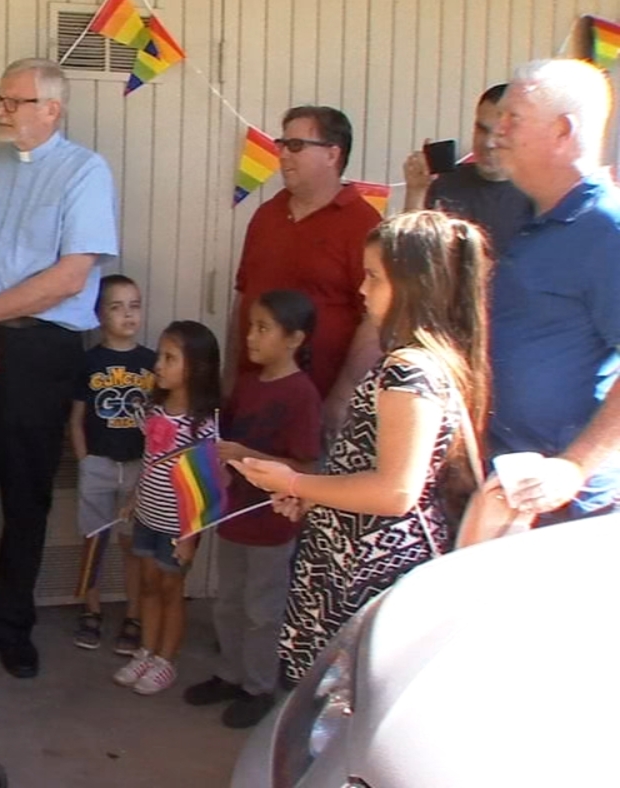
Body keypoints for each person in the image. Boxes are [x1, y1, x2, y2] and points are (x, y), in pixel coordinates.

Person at [232, 211, 491, 684]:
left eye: (373, 276)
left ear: (414, 283)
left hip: (365, 572)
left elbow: (395, 490)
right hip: (356, 556)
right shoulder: (428, 362)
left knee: (338, 707)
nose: (362, 289)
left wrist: (292, 480)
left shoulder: (408, 371)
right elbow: (371, 466)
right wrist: (314, 493)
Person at [0, 57, 119, 679]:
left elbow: (69, 277)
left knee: (27, 495)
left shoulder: (85, 172)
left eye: (14, 102)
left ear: (51, 110)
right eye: (0, 98)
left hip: (38, 350)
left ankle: (15, 624)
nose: (0, 111)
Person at [457, 58, 620, 539]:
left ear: (562, 131)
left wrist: (573, 468)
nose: (496, 134)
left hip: (565, 510)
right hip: (510, 492)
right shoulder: (532, 219)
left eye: (513, 119)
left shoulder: (606, 230)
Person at [186, 290, 322, 728]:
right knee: (228, 602)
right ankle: (230, 673)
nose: (251, 336)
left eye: (263, 328)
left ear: (294, 339)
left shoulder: (302, 394)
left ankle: (259, 686)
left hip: (271, 524)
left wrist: (246, 453)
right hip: (233, 517)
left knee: (261, 610)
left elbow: (305, 466)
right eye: (250, 326)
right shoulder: (246, 383)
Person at [230, 106, 383, 437]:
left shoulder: (364, 224)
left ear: (332, 154)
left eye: (296, 145)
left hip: (318, 409)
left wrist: (343, 396)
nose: (283, 154)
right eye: (281, 144)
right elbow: (243, 298)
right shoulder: (266, 215)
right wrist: (229, 379)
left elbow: (375, 320)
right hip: (251, 402)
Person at [111, 321, 222, 696]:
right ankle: (146, 649)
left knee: (171, 588)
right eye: (161, 355)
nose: (159, 364)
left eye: (170, 358)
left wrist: (191, 536)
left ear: (197, 368)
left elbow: (205, 487)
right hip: (146, 515)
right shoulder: (153, 409)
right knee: (148, 584)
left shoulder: (203, 424)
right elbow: (150, 461)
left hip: (179, 526)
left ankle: (165, 660)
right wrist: (133, 499)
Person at [67, 274, 154, 656]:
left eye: (134, 305)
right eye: (117, 307)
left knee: (132, 544)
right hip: (98, 464)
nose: (127, 314)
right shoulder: (89, 362)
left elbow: (162, 423)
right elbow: (76, 417)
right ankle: (92, 609)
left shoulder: (152, 362)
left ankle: (134, 614)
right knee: (94, 540)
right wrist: (84, 458)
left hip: (138, 466)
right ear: (99, 315)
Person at [401, 83, 533, 255]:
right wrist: (416, 191)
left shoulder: (539, 194)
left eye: (501, 134)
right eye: (482, 130)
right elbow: (408, 259)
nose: (488, 143)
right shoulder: (443, 183)